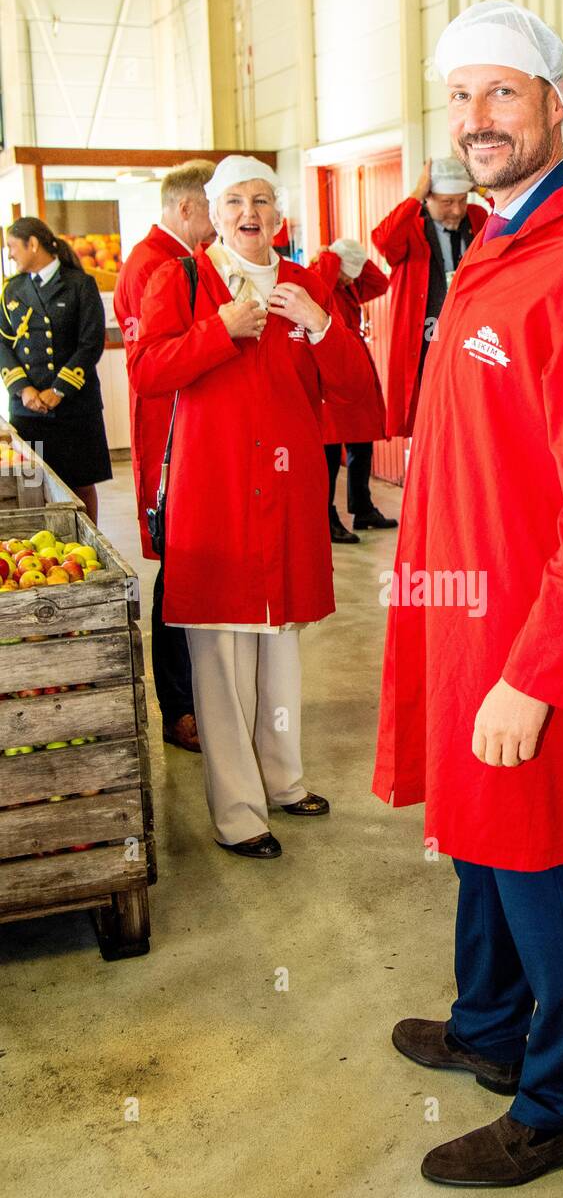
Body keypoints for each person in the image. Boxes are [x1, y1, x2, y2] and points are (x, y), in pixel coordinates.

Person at [372, 0, 563, 1188]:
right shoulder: (499, 237)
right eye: (460, 96)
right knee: (480, 841)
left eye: (501, 94)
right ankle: (492, 1027)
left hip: (533, 632)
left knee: (541, 855)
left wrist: (538, 674)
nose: (476, 118)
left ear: (554, 104)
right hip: (465, 612)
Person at [129, 156, 372, 860]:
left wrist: (325, 326)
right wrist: (221, 330)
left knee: (281, 646)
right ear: (212, 210)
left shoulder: (303, 285)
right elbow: (145, 371)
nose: (249, 212)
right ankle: (238, 812)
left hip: (289, 495)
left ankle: (286, 780)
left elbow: (356, 391)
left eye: (262, 199)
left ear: (279, 212)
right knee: (220, 656)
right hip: (218, 495)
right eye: (234, 200)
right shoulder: (184, 281)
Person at [114, 160, 215, 753]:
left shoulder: (178, 260)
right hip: (170, 441)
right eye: (218, 205)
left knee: (191, 571)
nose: (230, 217)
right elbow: (155, 368)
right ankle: (178, 706)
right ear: (186, 208)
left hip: (187, 439)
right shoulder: (158, 266)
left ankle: (196, 697)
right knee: (176, 576)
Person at [0, 217, 112, 521]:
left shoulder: (79, 284)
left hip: (74, 405)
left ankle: (89, 541)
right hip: (29, 409)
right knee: (34, 482)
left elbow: (90, 343)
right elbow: (3, 343)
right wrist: (23, 389)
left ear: (32, 244)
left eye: (12, 246)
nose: (9, 254)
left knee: (80, 481)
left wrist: (58, 390)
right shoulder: (11, 290)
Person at [372, 157, 488, 437]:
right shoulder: (411, 227)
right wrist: (415, 194)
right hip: (425, 337)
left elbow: (512, 225)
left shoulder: (476, 218)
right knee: (427, 419)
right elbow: (384, 240)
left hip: (469, 335)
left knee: (471, 417)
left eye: (462, 199)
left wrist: (482, 189)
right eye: (447, 202)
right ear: (428, 198)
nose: (457, 210)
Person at [308, 237, 396, 541]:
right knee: (330, 448)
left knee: (361, 440)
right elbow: (320, 287)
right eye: (346, 272)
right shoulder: (320, 282)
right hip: (328, 370)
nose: (350, 279)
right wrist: (329, 259)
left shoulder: (349, 287)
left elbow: (381, 283)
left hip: (354, 366)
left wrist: (354, 262)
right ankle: (323, 516)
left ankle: (362, 508)